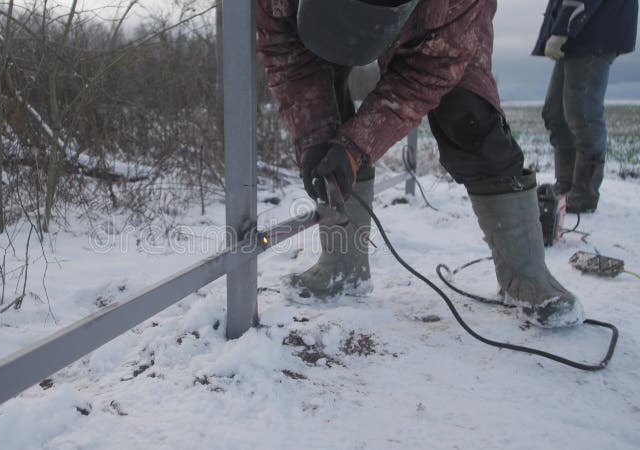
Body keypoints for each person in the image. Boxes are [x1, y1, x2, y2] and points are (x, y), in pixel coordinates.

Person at [256, 0, 584, 327]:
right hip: (314, 30)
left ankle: (526, 276)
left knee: (469, 115)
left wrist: (355, 148)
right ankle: (342, 266)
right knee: (327, 128)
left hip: (443, 31)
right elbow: (286, 55)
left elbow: (425, 76)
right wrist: (315, 137)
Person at [534, 0, 638, 213]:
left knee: (583, 114)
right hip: (578, 35)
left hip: (595, 30)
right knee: (555, 114)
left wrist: (563, 28)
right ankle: (565, 186)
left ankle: (584, 194)